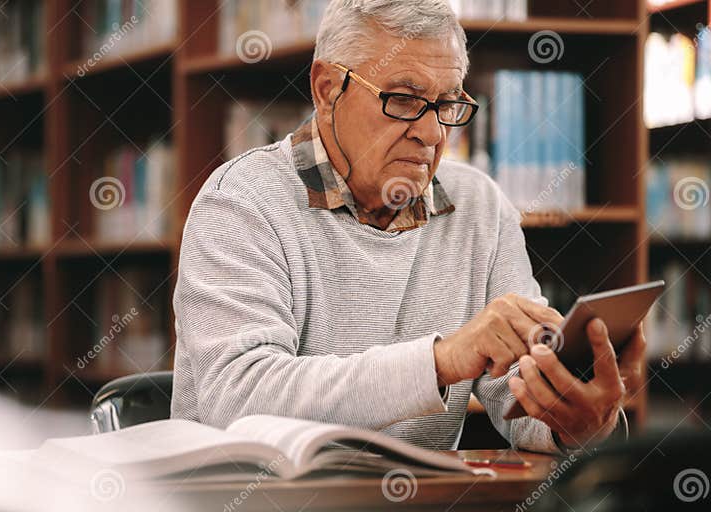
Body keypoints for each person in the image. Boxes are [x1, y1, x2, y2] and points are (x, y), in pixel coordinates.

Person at [171, 0, 642, 453]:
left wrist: (576, 419)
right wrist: (441, 361)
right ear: (327, 89)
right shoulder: (239, 202)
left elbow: (518, 402)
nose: (434, 133)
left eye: (447, 104)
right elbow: (238, 400)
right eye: (404, 99)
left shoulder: (478, 206)